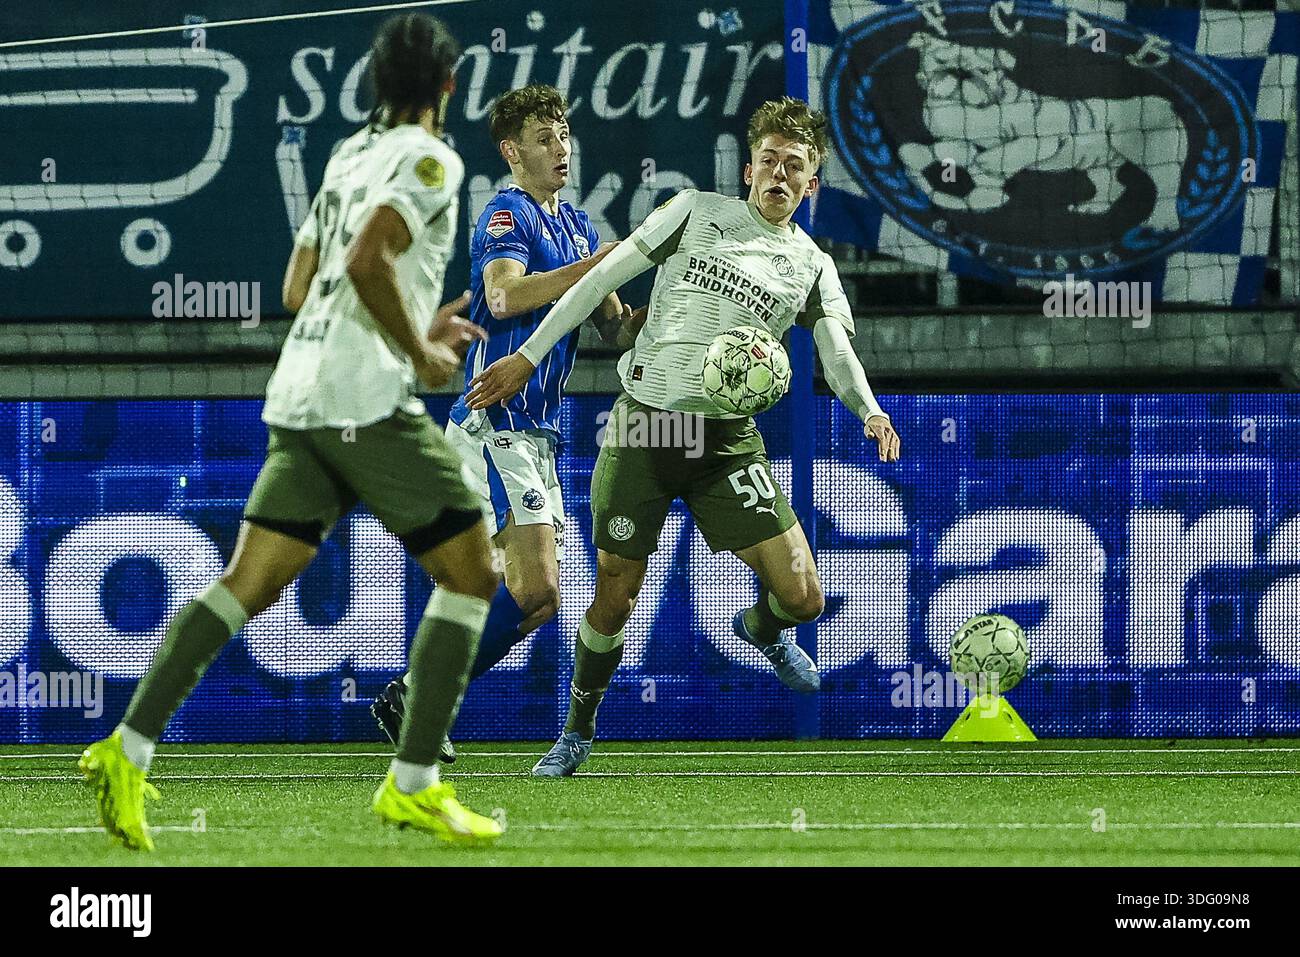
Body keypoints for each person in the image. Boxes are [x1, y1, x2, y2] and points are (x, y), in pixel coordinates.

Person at [78, 13, 502, 847]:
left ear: (376, 85)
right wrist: (418, 349)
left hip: (302, 387)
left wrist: (405, 320)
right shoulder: (431, 158)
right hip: (359, 401)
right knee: (473, 569)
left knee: (248, 581)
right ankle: (414, 782)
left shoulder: (347, 154)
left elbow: (297, 279)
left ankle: (125, 747)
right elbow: (364, 263)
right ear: (448, 88)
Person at [466, 97, 902, 776]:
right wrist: (527, 357)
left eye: (796, 166)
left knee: (804, 597)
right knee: (615, 594)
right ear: (750, 166)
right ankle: (577, 731)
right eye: (769, 161)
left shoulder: (811, 264)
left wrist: (868, 409)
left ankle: (761, 630)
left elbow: (836, 345)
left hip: (725, 441)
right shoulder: (696, 210)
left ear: (811, 182)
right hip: (644, 426)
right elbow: (602, 279)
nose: (779, 176)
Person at [370, 84, 641, 758]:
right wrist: (599, 266)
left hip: (536, 436)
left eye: (565, 133)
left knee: (533, 599)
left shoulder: (579, 227)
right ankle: (420, 697)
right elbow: (503, 291)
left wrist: (674, 299)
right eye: (546, 136)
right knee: (539, 586)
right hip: (497, 423)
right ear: (512, 151)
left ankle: (414, 698)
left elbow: (619, 333)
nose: (562, 146)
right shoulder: (505, 212)